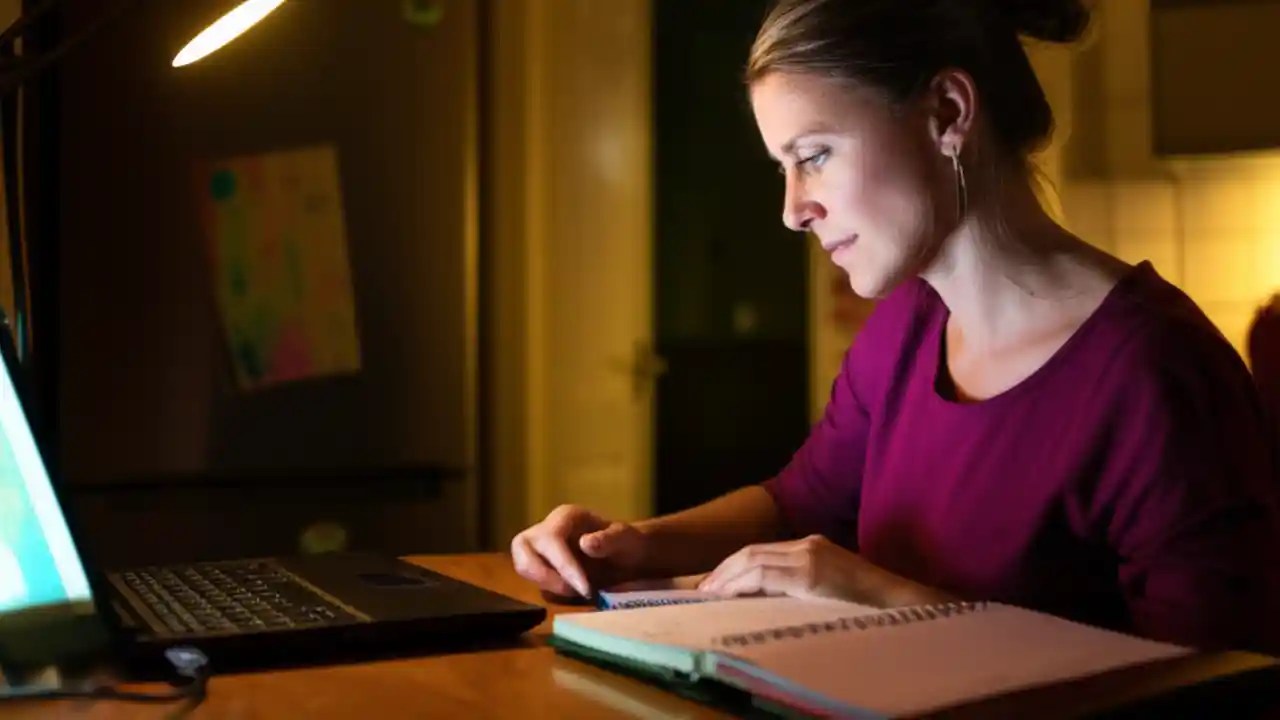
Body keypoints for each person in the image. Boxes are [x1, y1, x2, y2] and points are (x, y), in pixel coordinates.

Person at [511, 0, 1280, 653]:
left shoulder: (1156, 373)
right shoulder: (906, 330)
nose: (792, 209)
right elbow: (800, 500)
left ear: (948, 114)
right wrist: (629, 545)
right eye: (783, 166)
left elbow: (1216, 686)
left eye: (813, 155)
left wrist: (893, 604)